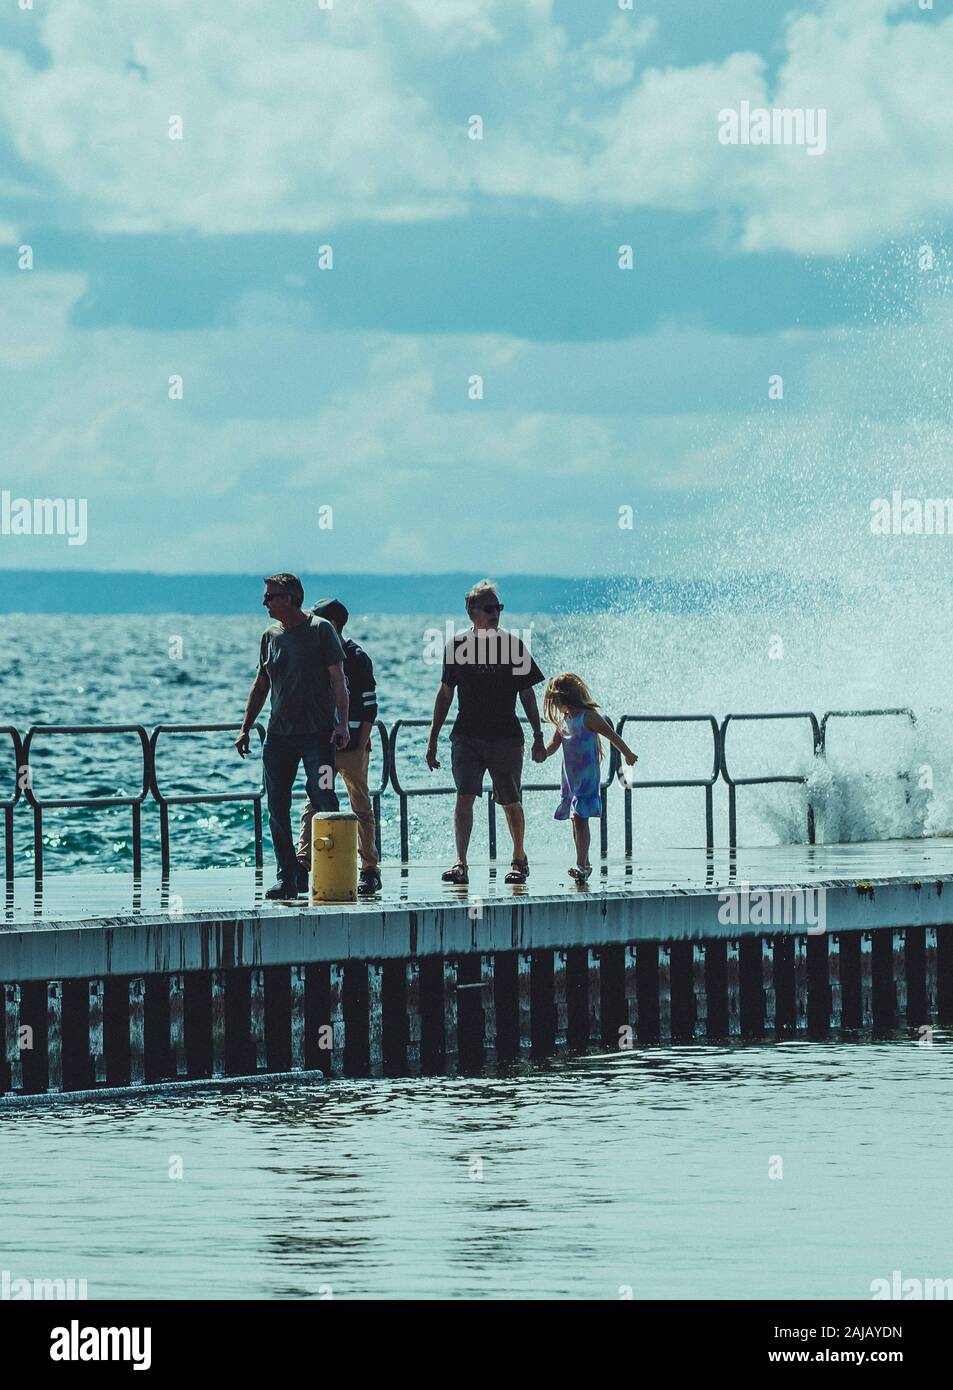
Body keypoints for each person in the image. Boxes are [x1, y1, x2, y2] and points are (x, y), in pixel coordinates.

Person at [235, 574, 349, 900]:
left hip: (318, 735)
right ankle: (288, 876)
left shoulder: (320, 630)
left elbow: (338, 681)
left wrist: (341, 724)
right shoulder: (270, 636)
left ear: (288, 598)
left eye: (270, 596)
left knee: (324, 798)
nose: (264, 602)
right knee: (277, 807)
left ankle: (334, 872)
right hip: (279, 737)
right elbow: (261, 684)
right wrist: (245, 727)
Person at [426, 579, 546, 885]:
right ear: (472, 612)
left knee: (510, 800)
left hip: (505, 736)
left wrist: (538, 735)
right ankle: (460, 863)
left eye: (499, 608)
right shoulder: (457, 646)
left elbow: (527, 693)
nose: (495, 613)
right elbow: (445, 692)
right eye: (489, 608)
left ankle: (518, 859)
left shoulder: (512, 646)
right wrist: (433, 738)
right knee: (464, 795)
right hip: (466, 735)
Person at [295, 598, 382, 896]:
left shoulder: (357, 657)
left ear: (332, 623)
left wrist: (360, 741)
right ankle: (303, 862)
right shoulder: (315, 656)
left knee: (360, 802)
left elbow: (370, 705)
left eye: (318, 621)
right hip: (324, 746)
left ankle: (369, 868)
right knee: (315, 798)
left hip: (354, 745)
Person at [538, 673, 638, 881]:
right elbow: (553, 746)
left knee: (580, 818)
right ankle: (584, 863)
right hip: (570, 779)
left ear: (564, 698)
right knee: (576, 820)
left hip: (586, 778)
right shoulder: (564, 721)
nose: (555, 707)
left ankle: (581, 864)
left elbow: (612, 736)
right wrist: (542, 753)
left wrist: (627, 753)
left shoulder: (588, 717)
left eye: (555, 701)